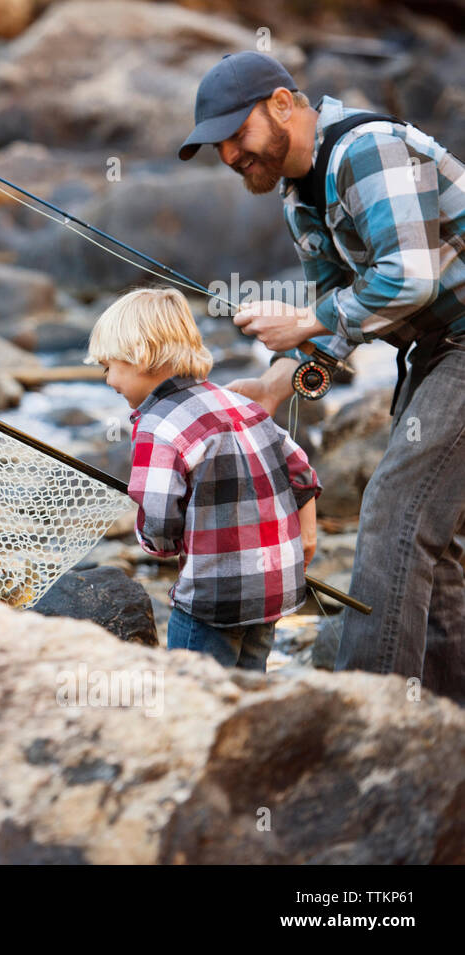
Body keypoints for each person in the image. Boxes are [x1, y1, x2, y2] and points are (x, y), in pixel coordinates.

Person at [178, 51, 465, 701]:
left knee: (395, 513)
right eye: (216, 145)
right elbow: (335, 339)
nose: (229, 157)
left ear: (282, 104)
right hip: (437, 349)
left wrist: (306, 320)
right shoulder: (299, 197)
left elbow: (408, 279)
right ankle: (444, 728)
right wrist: (274, 389)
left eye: (235, 134)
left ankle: (362, 718)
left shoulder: (367, 150)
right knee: (432, 535)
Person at [85, 287, 321, 668]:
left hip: (214, 600)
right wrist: (306, 538)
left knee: (198, 694)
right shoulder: (242, 404)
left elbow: (160, 517)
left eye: (108, 366)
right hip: (275, 591)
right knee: (247, 691)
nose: (108, 379)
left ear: (139, 355)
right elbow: (301, 471)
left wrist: (156, 545)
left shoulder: (156, 426)